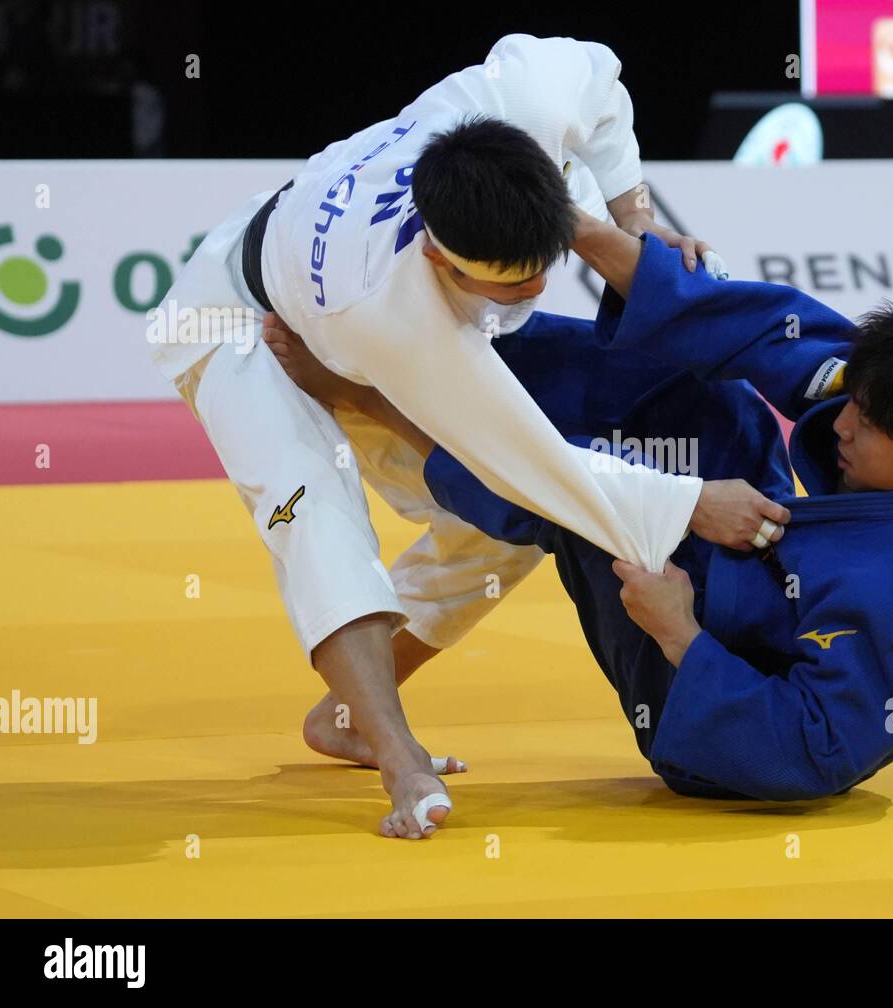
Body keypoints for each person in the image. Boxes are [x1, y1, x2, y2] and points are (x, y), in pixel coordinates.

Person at [147, 34, 783, 839]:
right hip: (241, 318)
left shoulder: (524, 101)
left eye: (545, 265)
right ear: (444, 265)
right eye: (513, 284)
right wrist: (693, 501)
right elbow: (530, 469)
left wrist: (637, 225)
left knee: (497, 532)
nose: (539, 290)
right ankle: (394, 753)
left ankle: (341, 711)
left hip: (314, 251)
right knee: (317, 521)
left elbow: (602, 80)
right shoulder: (396, 315)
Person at [263, 211, 893, 802]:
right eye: (854, 403)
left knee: (610, 502)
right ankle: (450, 357)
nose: (841, 423)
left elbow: (817, 752)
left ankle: (379, 395)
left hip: (712, 722)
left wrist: (680, 632)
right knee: (704, 388)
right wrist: (573, 225)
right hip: (778, 580)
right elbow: (745, 328)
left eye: (865, 428)